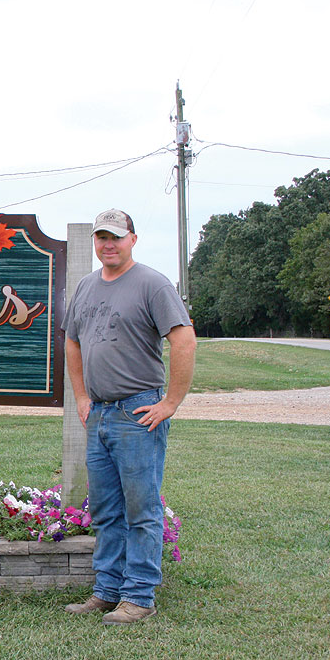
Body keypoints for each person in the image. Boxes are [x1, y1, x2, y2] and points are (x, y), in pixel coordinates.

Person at [63, 209, 196, 625]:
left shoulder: (152, 284)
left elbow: (183, 339)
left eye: (116, 237)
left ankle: (139, 595)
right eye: (102, 237)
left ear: (133, 240)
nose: (108, 244)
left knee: (141, 509)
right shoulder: (85, 287)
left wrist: (170, 403)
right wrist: (82, 397)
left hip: (138, 413)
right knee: (105, 510)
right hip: (99, 414)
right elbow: (72, 343)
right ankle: (106, 591)